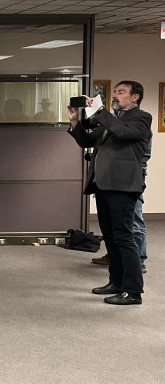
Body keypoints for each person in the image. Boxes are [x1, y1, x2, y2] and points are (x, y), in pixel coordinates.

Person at [68, 80, 151, 305]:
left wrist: (100, 111)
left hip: (123, 186)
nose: (115, 95)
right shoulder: (112, 120)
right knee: (112, 238)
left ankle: (133, 291)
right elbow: (87, 140)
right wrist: (75, 121)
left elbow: (123, 133)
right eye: (114, 91)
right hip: (104, 185)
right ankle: (116, 282)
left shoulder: (141, 118)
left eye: (121, 92)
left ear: (135, 97)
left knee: (125, 238)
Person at [91, 137, 150, 273]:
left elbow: (142, 155)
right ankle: (115, 257)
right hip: (112, 179)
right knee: (114, 223)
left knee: (134, 222)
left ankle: (138, 260)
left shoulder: (137, 124)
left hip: (129, 180)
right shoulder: (114, 125)